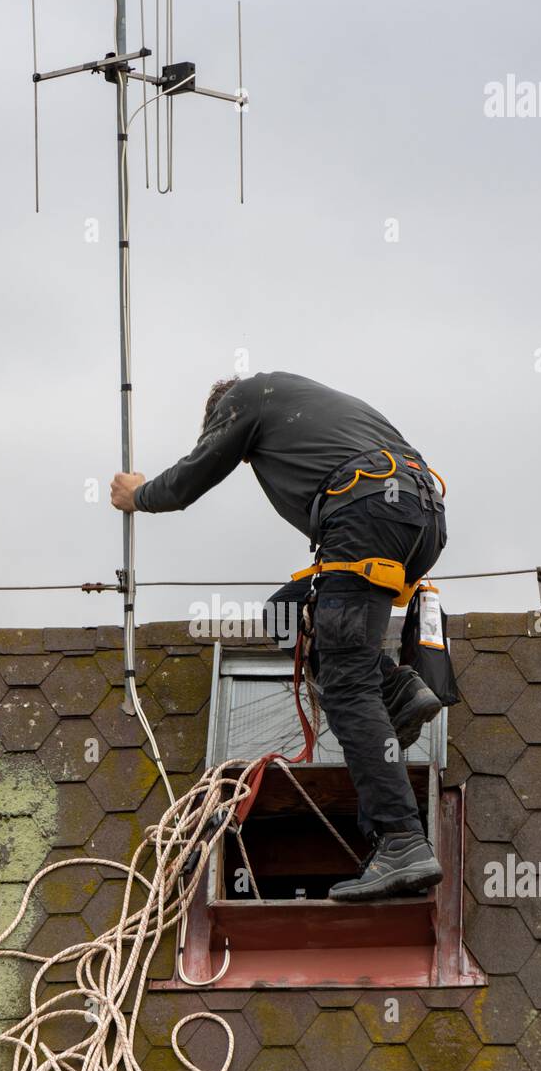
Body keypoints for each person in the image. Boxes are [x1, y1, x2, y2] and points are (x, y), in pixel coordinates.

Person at [110, 370, 447, 900]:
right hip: (420, 518)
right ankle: (398, 689)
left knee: (345, 683)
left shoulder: (248, 396)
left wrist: (140, 495)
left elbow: (189, 481)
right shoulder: (318, 408)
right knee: (284, 616)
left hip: (366, 512)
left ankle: (402, 839)